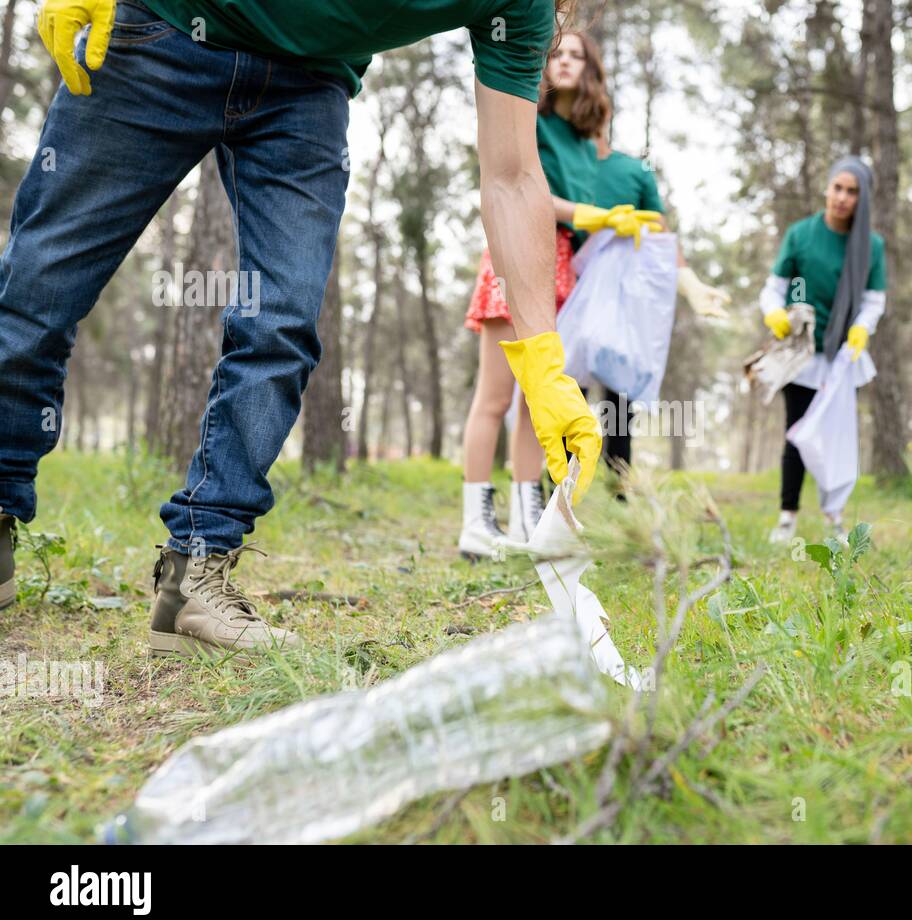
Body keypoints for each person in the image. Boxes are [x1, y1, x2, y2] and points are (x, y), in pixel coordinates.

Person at [0, 0, 600, 655]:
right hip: (164, 29)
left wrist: (544, 363)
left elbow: (513, 175)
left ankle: (195, 576)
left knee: (280, 325)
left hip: (306, 88)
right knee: (41, 283)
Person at [457, 30, 659, 557]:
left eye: (576, 55)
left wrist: (616, 224)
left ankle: (531, 523)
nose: (564, 62)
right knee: (496, 394)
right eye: (556, 54)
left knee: (535, 399)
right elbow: (520, 185)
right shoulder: (528, 115)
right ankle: (475, 522)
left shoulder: (580, 138)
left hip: (563, 267)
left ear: (590, 69)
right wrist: (584, 212)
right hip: (517, 253)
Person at [587, 127, 731, 485]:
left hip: (622, 300)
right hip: (569, 293)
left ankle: (619, 493)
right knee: (567, 392)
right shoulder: (553, 162)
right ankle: (555, 494)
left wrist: (689, 283)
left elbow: (662, 234)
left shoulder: (634, 171)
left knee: (619, 402)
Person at [759, 156, 887, 544]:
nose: (843, 198)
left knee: (835, 436)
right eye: (838, 188)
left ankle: (834, 518)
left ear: (862, 199)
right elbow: (774, 287)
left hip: (842, 357)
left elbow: (873, 299)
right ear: (827, 188)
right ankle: (787, 518)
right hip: (802, 354)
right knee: (796, 434)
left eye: (852, 192)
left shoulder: (871, 245)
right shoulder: (801, 235)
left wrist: (862, 329)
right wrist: (774, 313)